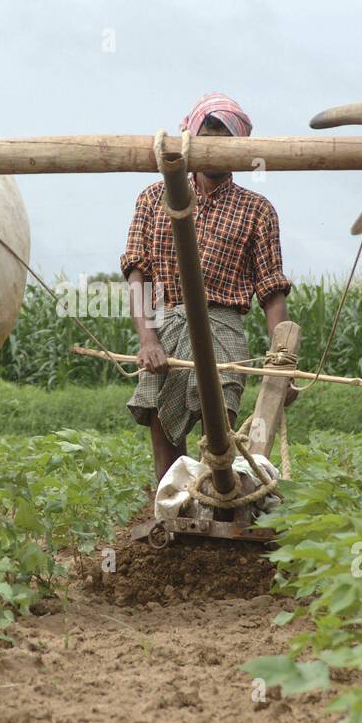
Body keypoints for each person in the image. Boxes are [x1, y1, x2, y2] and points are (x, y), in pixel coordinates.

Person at [120, 93, 293, 481]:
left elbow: (271, 292)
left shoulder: (257, 210)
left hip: (224, 327)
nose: (216, 150)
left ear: (240, 151)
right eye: (208, 138)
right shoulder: (152, 198)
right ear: (190, 141)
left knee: (220, 432)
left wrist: (280, 363)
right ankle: (172, 507)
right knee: (162, 430)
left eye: (226, 140)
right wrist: (148, 339)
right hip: (165, 324)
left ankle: (221, 502)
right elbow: (138, 273)